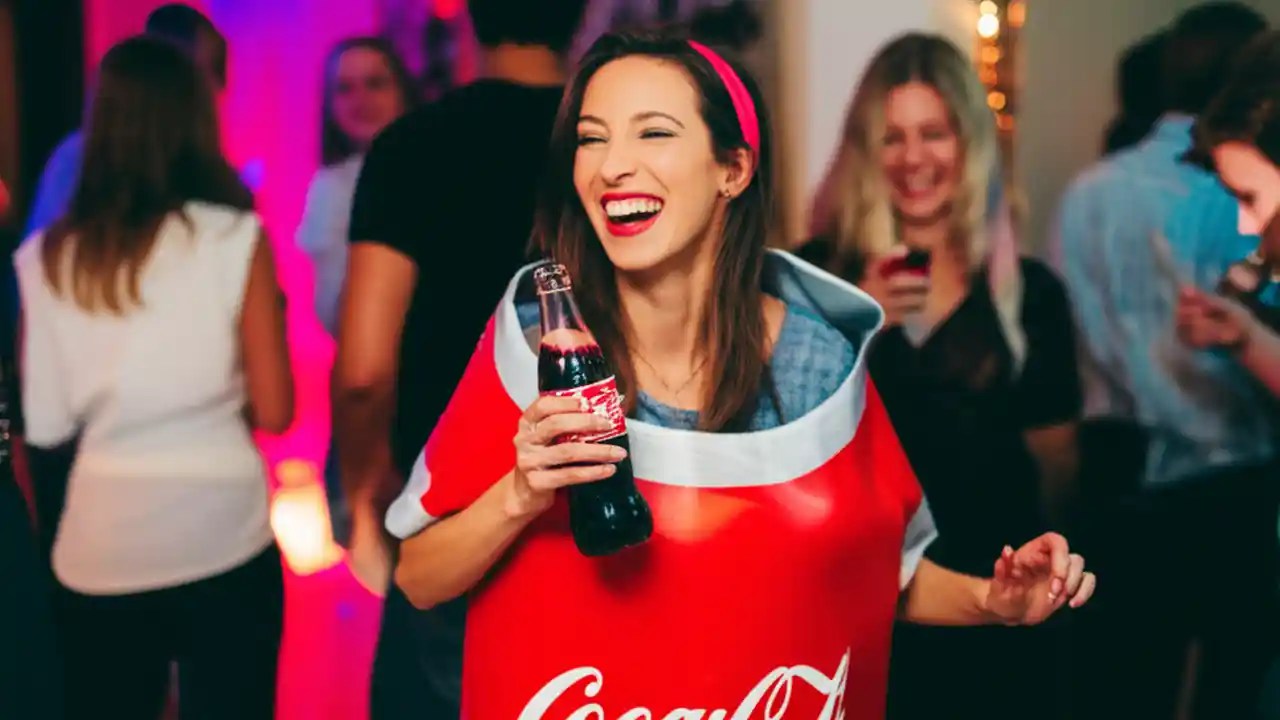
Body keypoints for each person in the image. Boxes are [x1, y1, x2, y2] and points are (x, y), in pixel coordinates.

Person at [386, 29, 1094, 720]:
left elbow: (877, 568)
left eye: (652, 133)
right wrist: (519, 493)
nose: (611, 166)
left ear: (734, 168)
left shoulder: (817, 360)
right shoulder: (539, 351)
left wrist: (992, 602)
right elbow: (419, 578)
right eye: (592, 138)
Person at [799, 33, 1081, 719]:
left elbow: (1059, 464)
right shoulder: (820, 276)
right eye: (892, 137)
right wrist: (853, 325)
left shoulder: (1030, 292)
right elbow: (783, 446)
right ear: (867, 152)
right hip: (864, 604)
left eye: (935, 132)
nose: (915, 158)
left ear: (970, 143)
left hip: (996, 600)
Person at [15, 37, 291, 719]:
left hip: (101, 548)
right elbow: (278, 407)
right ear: (196, 116)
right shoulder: (235, 237)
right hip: (224, 534)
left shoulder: (46, 257)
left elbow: (45, 424)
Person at [333, 1, 589, 717]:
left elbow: (362, 370)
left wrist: (366, 488)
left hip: (450, 511)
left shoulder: (413, 146)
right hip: (597, 505)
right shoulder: (602, 148)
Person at [1050, 4, 1274, 717]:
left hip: (1120, 479)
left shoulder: (1087, 194)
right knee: (1231, 691)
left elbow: (1068, 339)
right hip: (1234, 484)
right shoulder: (1228, 190)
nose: (1247, 223)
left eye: (1252, 202)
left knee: (1121, 691)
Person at [24, 4, 229, 236]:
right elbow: (42, 260)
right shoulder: (80, 159)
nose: (215, 93)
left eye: (216, 73)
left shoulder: (203, 166)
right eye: (200, 77)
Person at [298, 37, 415, 336]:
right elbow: (336, 315)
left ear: (402, 90)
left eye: (375, 83)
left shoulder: (446, 168)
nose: (361, 100)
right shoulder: (330, 187)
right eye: (345, 89)